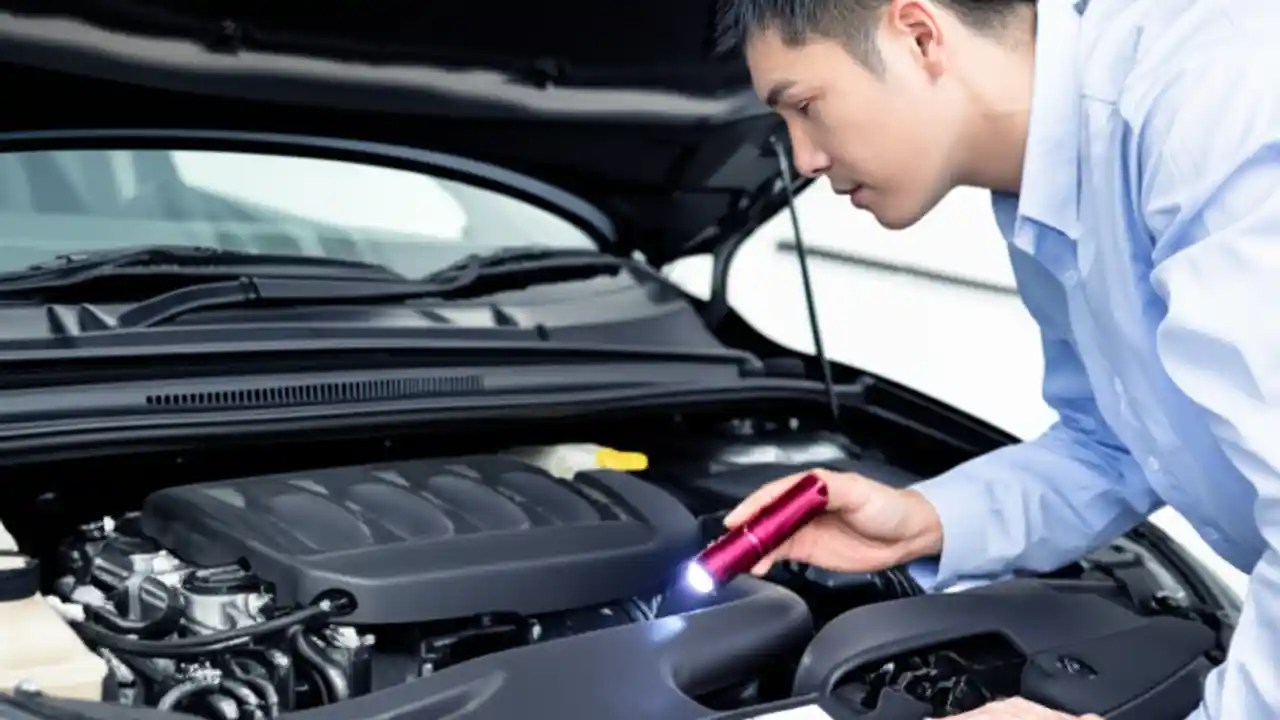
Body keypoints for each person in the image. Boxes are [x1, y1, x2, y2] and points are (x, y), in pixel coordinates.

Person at [714, 0, 1280, 717]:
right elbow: (1114, 444)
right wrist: (920, 519)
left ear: (918, 35)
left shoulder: (1209, 107)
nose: (803, 159)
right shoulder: (1044, 189)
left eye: (804, 106)